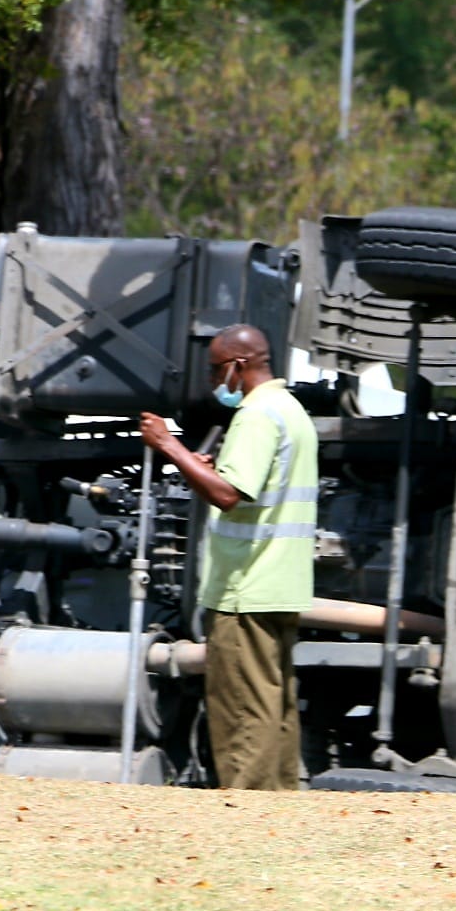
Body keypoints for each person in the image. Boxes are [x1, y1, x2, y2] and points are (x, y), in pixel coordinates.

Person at [138, 324, 317, 790]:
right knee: (273, 708)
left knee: (241, 712)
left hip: (246, 590)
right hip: (280, 585)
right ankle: (279, 818)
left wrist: (169, 446)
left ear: (238, 366)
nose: (215, 382)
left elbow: (229, 495)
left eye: (217, 371)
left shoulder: (257, 415)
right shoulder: (291, 410)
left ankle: (246, 824)